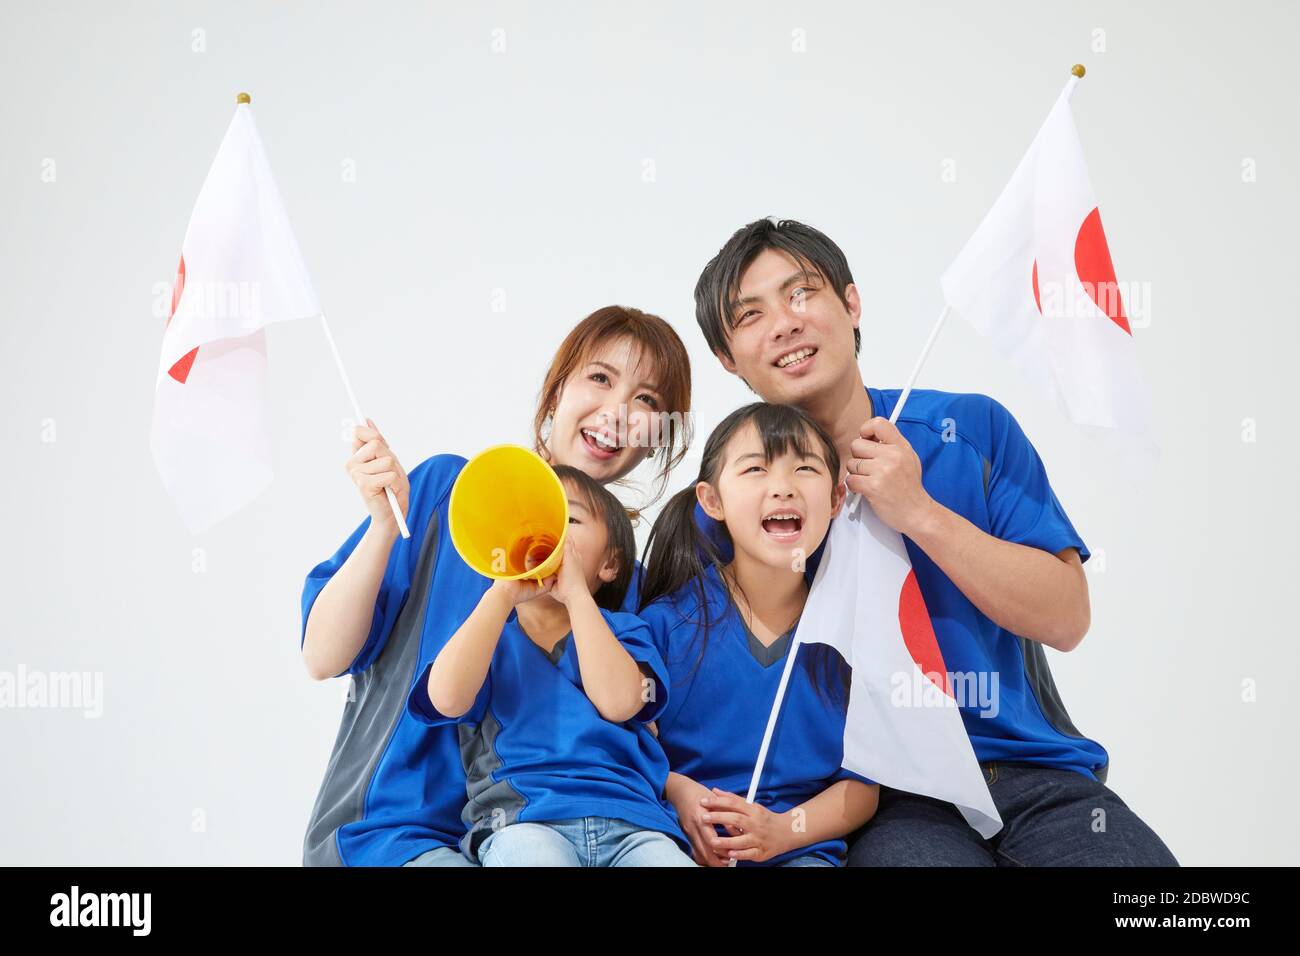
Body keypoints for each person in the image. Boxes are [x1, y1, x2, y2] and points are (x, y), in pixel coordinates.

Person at [690, 217, 1177, 866]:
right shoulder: (732, 501)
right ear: (728, 359)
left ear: (851, 301)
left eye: (801, 292)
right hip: (882, 800)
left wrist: (918, 511)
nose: (784, 322)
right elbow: (673, 666)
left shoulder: (967, 430)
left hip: (1030, 775)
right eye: (750, 315)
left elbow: (1066, 617)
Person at [299, 306, 692, 866]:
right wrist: (386, 527)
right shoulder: (445, 495)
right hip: (397, 833)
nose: (618, 412)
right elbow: (321, 655)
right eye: (600, 378)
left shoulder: (622, 583)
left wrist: (678, 792)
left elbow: (628, 734)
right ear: (555, 394)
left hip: (555, 833)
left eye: (648, 401)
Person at [408, 466, 694, 866]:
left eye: (570, 519)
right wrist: (501, 592)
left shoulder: (626, 632)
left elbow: (619, 703)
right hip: (524, 821)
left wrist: (577, 595)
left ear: (610, 564)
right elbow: (446, 699)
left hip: (635, 824)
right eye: (543, 519)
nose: (553, 531)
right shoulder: (489, 637)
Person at [638, 402, 879, 867]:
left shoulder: (855, 634)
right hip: (675, 849)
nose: (783, 488)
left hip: (801, 854)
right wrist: (682, 795)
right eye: (755, 469)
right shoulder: (664, 624)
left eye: (805, 468)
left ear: (834, 499)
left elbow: (863, 788)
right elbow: (634, 744)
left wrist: (785, 832)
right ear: (712, 501)